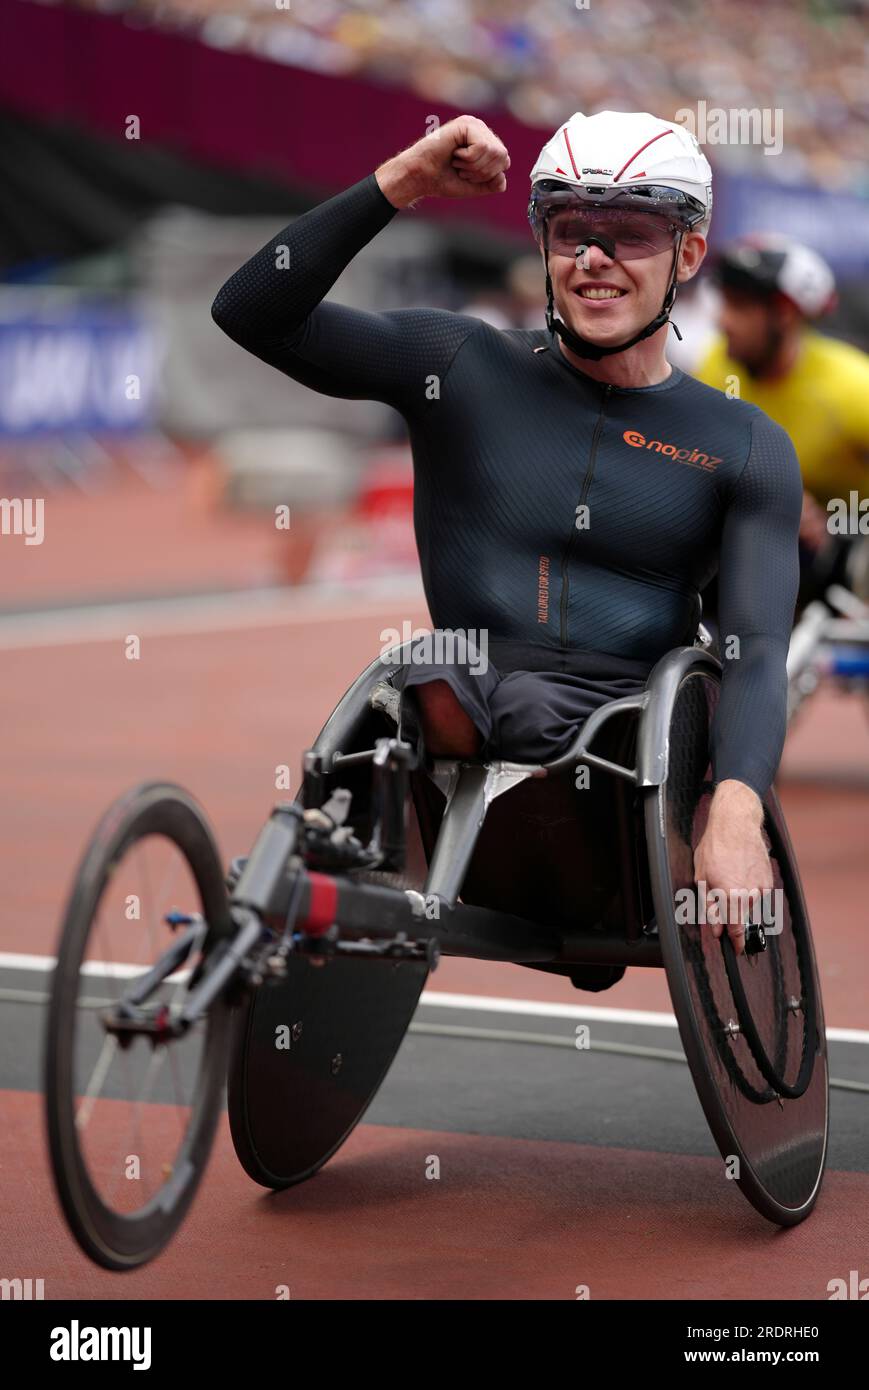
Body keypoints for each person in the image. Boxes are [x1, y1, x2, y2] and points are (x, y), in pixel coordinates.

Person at [211, 110, 803, 971]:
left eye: (630, 233)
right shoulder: (459, 362)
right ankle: (309, 885)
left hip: (621, 728)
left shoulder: (744, 445)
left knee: (518, 703)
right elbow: (252, 311)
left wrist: (738, 809)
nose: (594, 259)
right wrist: (403, 181)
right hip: (456, 680)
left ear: (687, 254)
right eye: (570, 231)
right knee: (420, 677)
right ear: (541, 243)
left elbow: (755, 650)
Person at [696, 235, 869, 606]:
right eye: (724, 301)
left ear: (784, 313)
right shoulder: (716, 365)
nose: (722, 320)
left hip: (841, 560)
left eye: (739, 306)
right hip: (755, 552)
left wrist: (838, 527)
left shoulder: (853, 387)